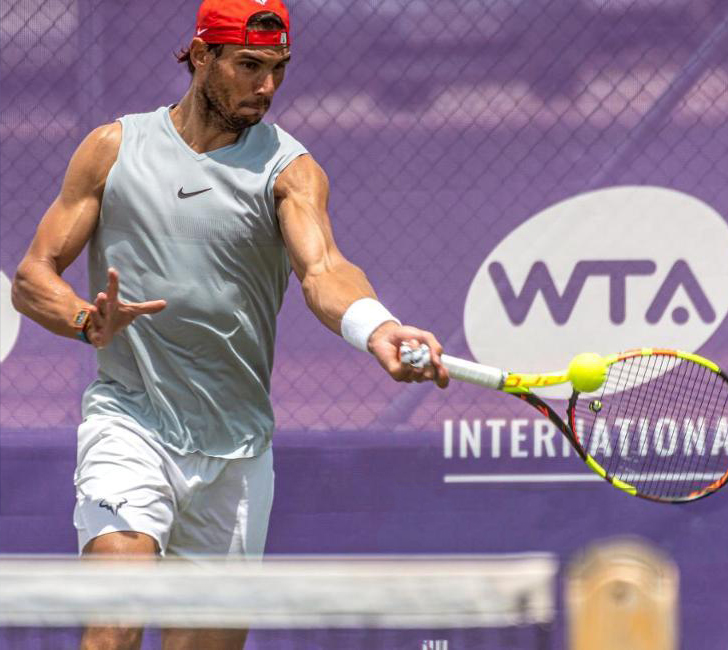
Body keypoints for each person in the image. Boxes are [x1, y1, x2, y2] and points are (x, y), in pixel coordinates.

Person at [11, 0, 448, 648]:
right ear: (199, 55)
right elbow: (32, 277)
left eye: (277, 68)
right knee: (113, 626)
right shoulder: (113, 149)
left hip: (236, 453)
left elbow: (325, 270)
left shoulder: (291, 170)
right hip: (131, 422)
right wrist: (83, 319)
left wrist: (375, 325)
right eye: (248, 65)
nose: (266, 86)